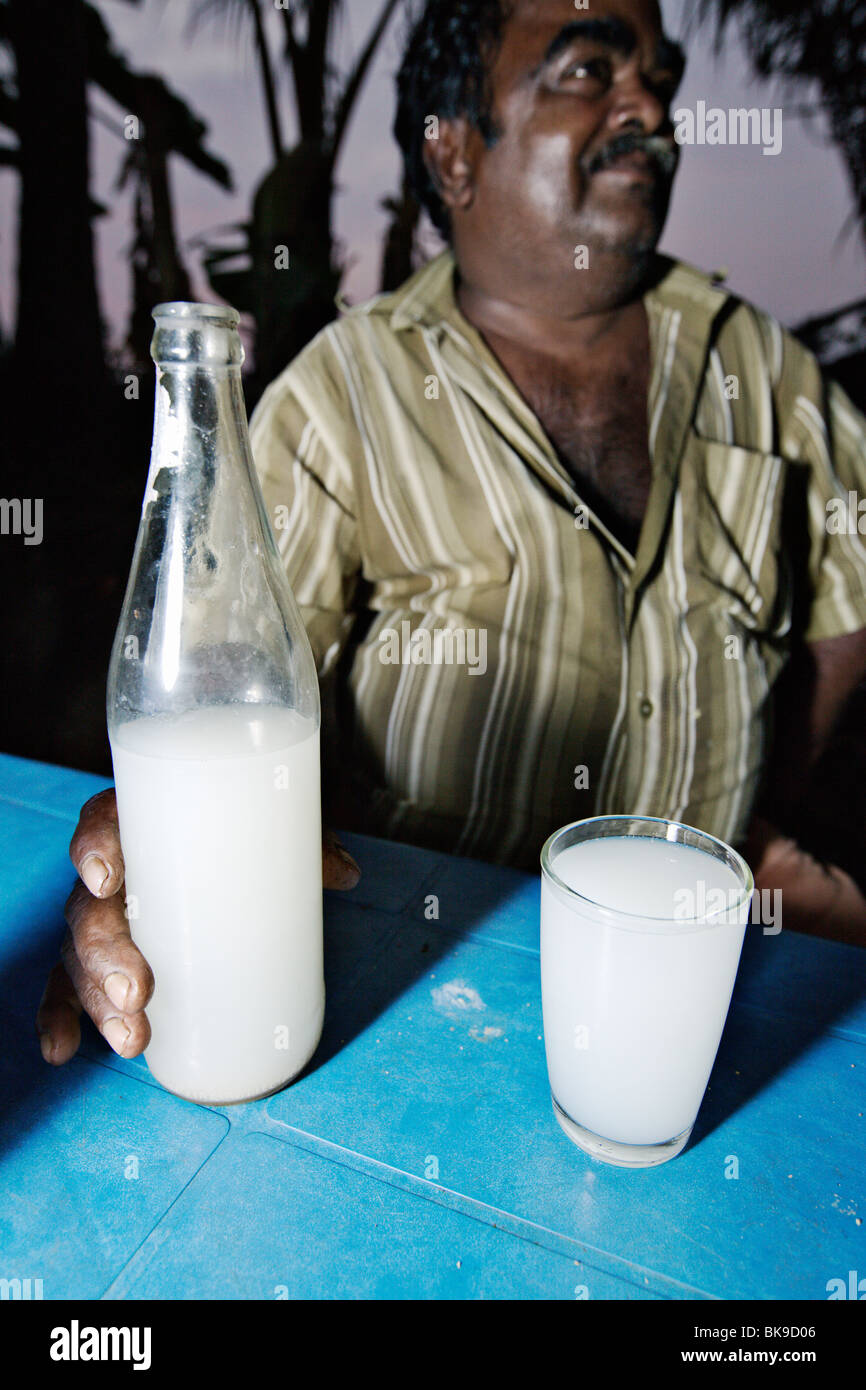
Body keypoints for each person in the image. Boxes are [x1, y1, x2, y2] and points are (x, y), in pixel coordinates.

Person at [37, 0, 866, 1067]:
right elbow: (202, 704)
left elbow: (844, 603)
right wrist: (154, 863)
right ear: (454, 149)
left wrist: (753, 816)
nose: (647, 105)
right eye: (587, 68)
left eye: (658, 74)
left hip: (689, 985)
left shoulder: (762, 369)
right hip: (432, 988)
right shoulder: (342, 402)